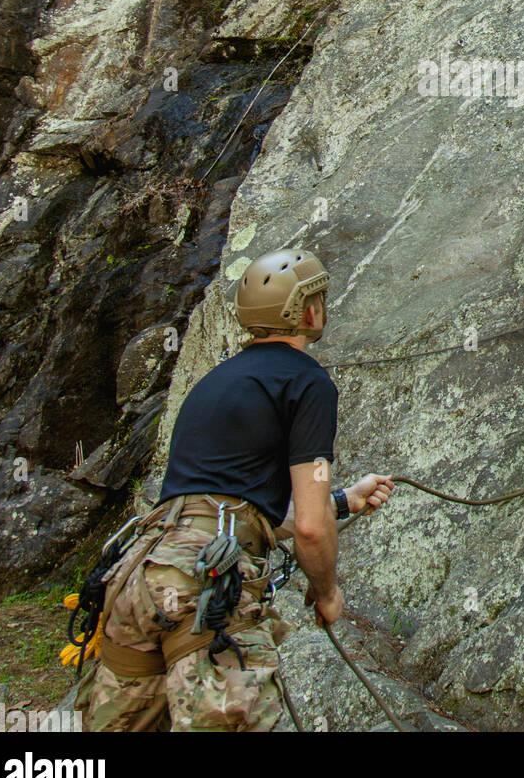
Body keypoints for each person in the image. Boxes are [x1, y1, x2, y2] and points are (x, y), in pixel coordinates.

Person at [78, 248, 394, 731]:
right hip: (202, 588)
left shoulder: (215, 381)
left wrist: (344, 501)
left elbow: (228, 510)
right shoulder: (309, 383)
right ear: (308, 311)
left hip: (140, 575)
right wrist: (327, 592)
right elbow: (309, 528)